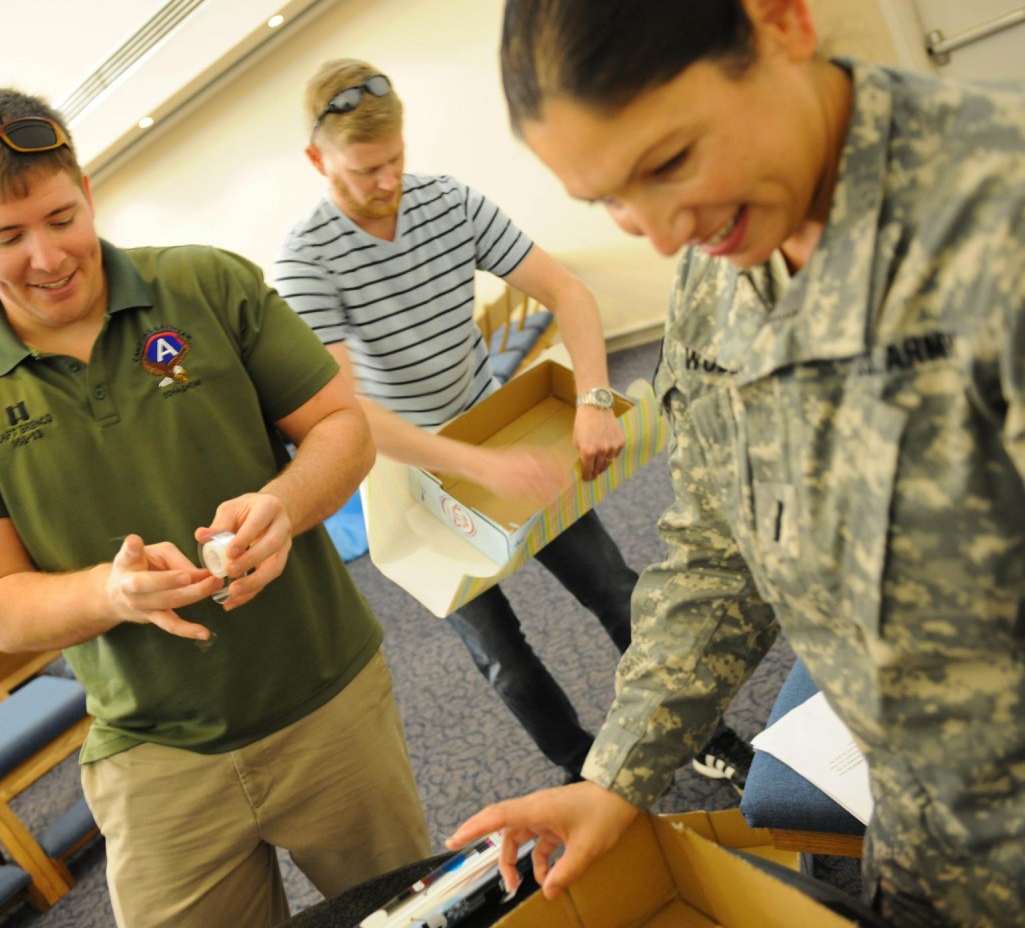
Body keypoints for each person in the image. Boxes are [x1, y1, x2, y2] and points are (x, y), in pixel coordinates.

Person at [448, 1, 1025, 926]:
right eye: (610, 200)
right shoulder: (723, 270)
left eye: (671, 162)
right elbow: (721, 546)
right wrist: (616, 776)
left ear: (783, 24)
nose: (664, 233)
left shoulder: (994, 227)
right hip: (922, 844)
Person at [0, 87, 430, 928]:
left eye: (61, 218)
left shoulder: (205, 283)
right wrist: (111, 596)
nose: (47, 256)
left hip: (324, 699)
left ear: (88, 191)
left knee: (415, 915)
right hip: (152, 750)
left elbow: (341, 428)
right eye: (6, 236)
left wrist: (283, 506)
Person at [273, 59, 752, 790]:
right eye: (365, 169)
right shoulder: (306, 259)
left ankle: (696, 729)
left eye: (395, 158)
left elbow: (568, 291)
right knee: (502, 652)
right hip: (407, 475)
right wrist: (476, 467)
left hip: (498, 428)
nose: (386, 181)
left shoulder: (449, 202)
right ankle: (578, 768)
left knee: (614, 586)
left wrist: (595, 400)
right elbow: (347, 414)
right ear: (317, 160)